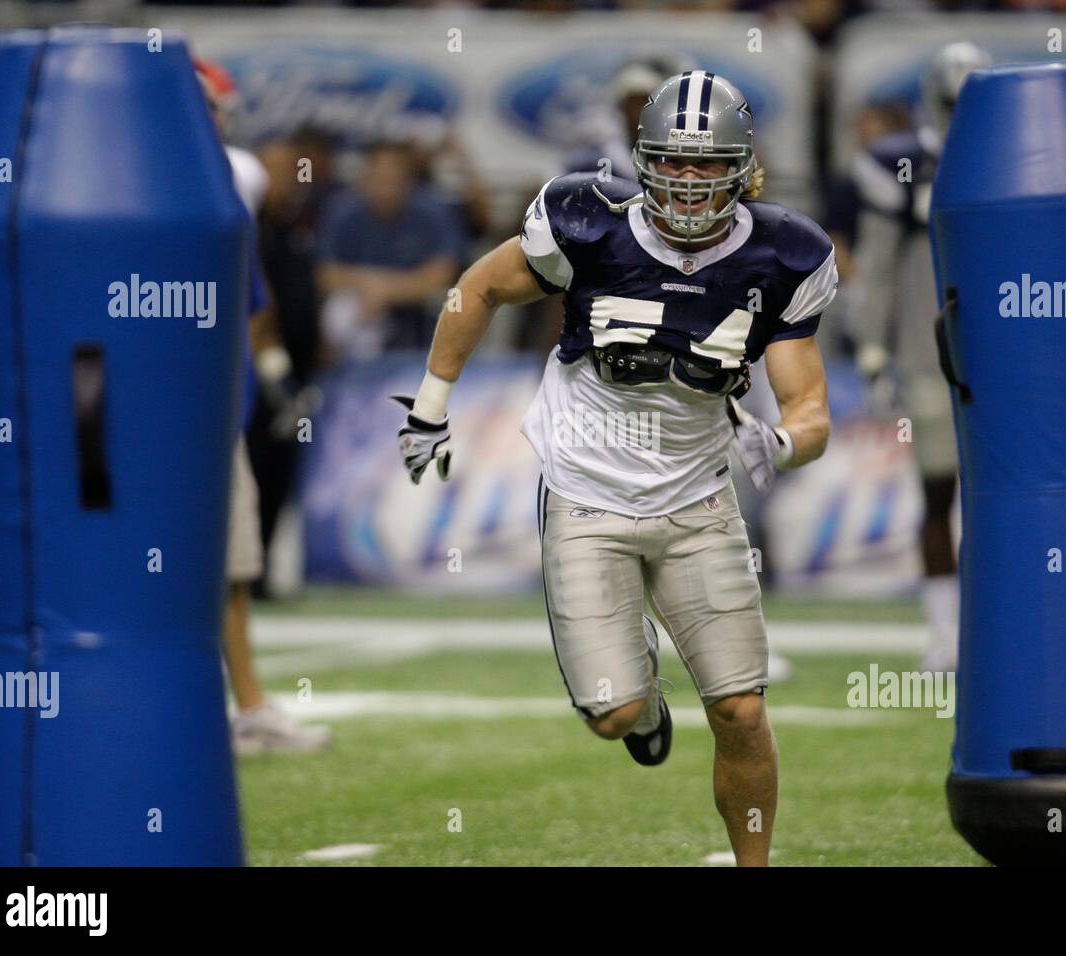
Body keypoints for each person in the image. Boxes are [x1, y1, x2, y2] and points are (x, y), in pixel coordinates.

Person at [392, 72, 836, 866]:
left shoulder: (783, 254)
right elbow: (478, 289)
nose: (690, 181)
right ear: (642, 160)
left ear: (744, 168)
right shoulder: (588, 220)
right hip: (587, 495)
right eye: (673, 161)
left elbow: (810, 409)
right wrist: (431, 403)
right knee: (612, 712)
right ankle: (643, 710)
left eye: (708, 165)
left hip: (699, 500)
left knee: (740, 710)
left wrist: (782, 443)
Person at [195, 58, 332, 754]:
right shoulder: (225, 179)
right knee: (219, 565)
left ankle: (240, 706)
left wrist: (272, 375)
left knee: (231, 567)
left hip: (201, 408)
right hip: (177, 410)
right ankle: (231, 707)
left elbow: (253, 303)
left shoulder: (217, 184)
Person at [848, 41, 992, 674]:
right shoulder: (903, 165)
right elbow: (876, 271)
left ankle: (996, 624)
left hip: (1005, 361)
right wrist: (874, 352)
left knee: (1001, 502)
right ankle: (946, 633)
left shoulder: (1013, 157)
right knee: (939, 496)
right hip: (930, 355)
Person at [317, 139, 462, 360]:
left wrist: (387, 291)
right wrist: (368, 284)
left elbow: (443, 273)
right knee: (338, 313)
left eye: (395, 178)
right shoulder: (343, 210)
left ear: (409, 179)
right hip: (359, 320)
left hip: (419, 323)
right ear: (365, 177)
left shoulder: (432, 211)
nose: (387, 186)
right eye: (380, 177)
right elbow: (325, 274)